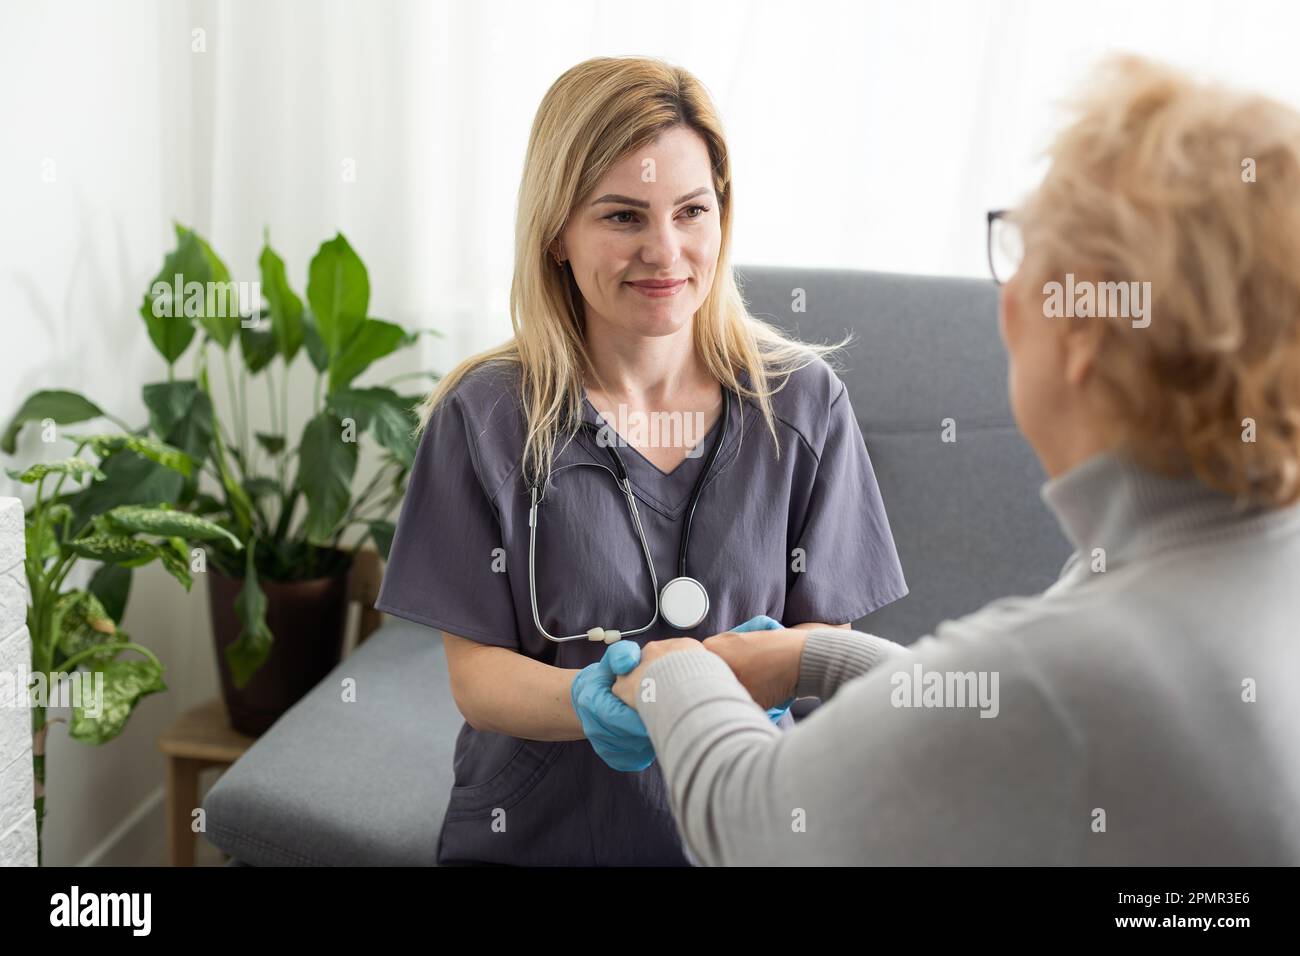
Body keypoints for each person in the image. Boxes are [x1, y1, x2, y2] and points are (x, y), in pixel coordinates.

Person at [612, 55, 1300, 865]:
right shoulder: (1238, 572)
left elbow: (754, 825)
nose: (1004, 300)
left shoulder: (1074, 666)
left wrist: (673, 674)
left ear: (1084, 333)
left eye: (1024, 251)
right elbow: (1006, 722)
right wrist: (817, 657)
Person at [375, 56, 908, 865]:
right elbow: (476, 678)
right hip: (538, 839)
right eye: (623, 217)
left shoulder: (801, 403)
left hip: (744, 829)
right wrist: (591, 701)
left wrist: (761, 680)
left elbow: (818, 641)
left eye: (691, 211)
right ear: (556, 231)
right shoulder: (484, 417)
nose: (666, 251)